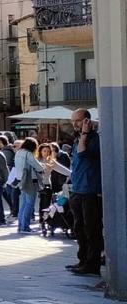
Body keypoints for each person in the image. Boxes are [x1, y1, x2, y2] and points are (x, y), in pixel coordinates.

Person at [67, 108, 102, 275]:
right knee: (79, 228)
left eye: (78, 120)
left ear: (87, 121)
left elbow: (82, 154)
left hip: (90, 190)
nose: (74, 124)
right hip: (78, 189)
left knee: (91, 229)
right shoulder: (77, 139)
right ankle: (82, 260)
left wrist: (85, 134)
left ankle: (92, 264)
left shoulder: (94, 139)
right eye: (73, 121)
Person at [14, 137, 44, 234]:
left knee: (23, 204)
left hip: (21, 180)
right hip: (29, 180)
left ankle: (20, 226)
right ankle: (25, 227)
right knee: (29, 204)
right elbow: (38, 166)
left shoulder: (18, 152)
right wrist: (43, 167)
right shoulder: (28, 154)